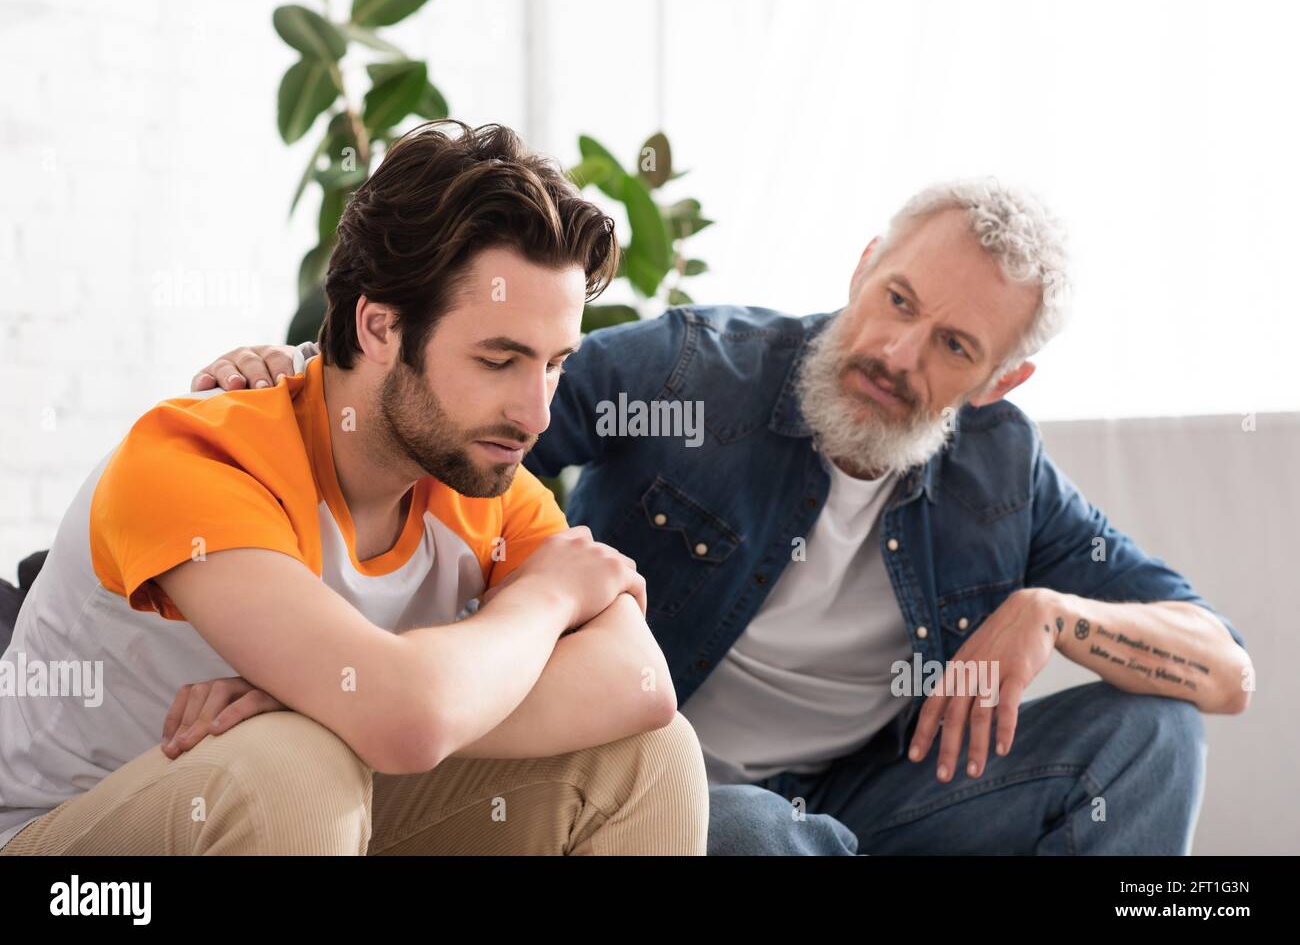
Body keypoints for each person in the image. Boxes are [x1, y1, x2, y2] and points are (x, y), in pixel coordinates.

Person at [192, 176, 1252, 855]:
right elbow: (460, 424)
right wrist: (291, 377)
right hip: (664, 781)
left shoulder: (1004, 473)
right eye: (898, 301)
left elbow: (1225, 672)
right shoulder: (698, 372)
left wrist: (1055, 614)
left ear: (999, 381)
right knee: (749, 834)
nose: (898, 353)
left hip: (876, 803)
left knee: (1148, 731)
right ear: (862, 267)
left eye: (954, 347)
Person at [0, 121, 710, 856]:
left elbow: (638, 684)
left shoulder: (483, 480)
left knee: (646, 759)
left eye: (555, 362)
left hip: (310, 811)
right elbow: (405, 718)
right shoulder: (196, 456)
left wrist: (351, 699)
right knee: (292, 765)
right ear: (379, 327)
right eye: (499, 360)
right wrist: (546, 597)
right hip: (65, 854)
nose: (536, 413)